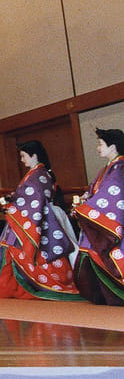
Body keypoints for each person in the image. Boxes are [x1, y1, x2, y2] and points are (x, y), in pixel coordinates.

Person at [0, 140, 78, 300]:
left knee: (39, 252)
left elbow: (36, 198)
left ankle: (38, 285)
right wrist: (13, 199)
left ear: (34, 156)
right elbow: (26, 196)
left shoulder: (39, 175)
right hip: (30, 216)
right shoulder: (36, 174)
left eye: (24, 156)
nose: (22, 160)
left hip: (40, 218)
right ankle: (15, 287)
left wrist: (12, 205)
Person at [73, 127, 124, 305]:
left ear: (113, 146)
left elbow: (112, 195)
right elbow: (95, 193)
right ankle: (101, 295)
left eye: (101, 144)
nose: (98, 148)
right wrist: (83, 202)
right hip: (97, 220)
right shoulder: (107, 169)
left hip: (110, 223)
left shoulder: (119, 169)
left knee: (104, 257)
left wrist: (85, 207)